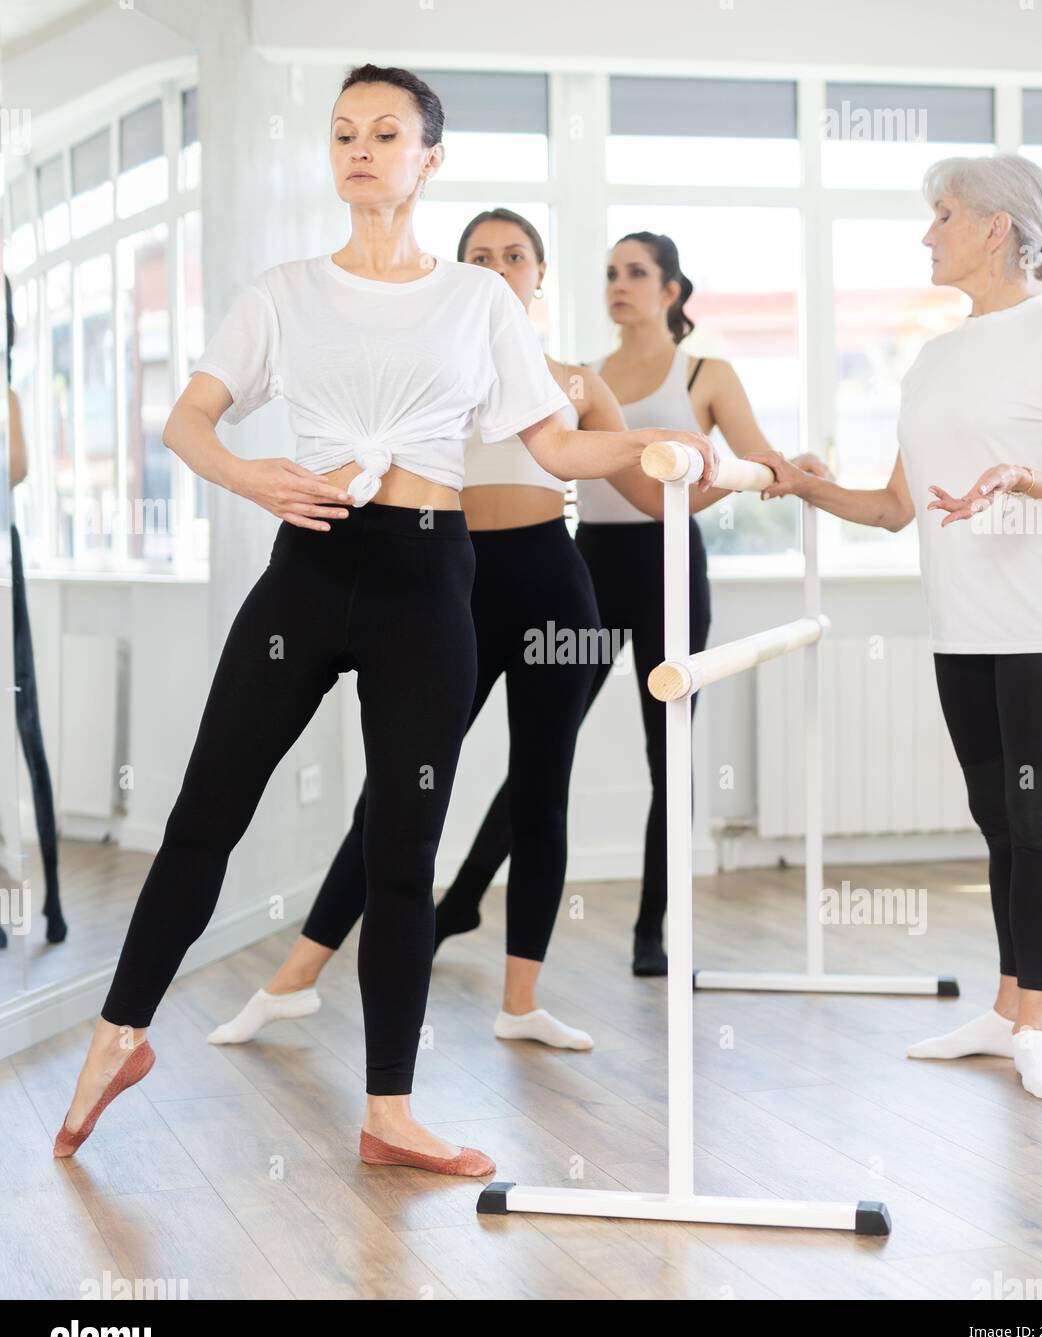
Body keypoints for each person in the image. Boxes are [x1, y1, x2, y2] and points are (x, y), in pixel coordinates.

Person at [52, 65, 717, 1176]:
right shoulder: (282, 290)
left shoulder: (477, 302)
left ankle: (390, 1111)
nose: (360, 149)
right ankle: (115, 1038)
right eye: (344, 132)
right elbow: (188, 419)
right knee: (204, 813)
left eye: (386, 133)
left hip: (426, 580)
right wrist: (252, 478)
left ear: (428, 161)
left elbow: (554, 447)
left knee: (404, 849)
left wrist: (670, 451)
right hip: (306, 573)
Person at [207, 208, 693, 1051]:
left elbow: (647, 494)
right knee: (395, 798)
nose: (499, 269)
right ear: (458, 272)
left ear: (540, 274)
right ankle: (295, 980)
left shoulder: (576, 381)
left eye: (515, 256)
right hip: (451, 584)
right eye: (480, 257)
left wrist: (738, 471)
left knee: (542, 794)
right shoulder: (432, 362)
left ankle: (521, 1002)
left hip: (556, 589)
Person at [754, 154, 1042, 1101]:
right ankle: (1004, 1011)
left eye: (943, 216)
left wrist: (1024, 476)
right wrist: (807, 486)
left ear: (997, 229)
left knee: (1037, 821)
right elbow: (890, 508)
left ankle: (1036, 1026)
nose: (928, 233)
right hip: (962, 624)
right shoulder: (935, 357)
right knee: (997, 820)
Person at [436, 231, 815, 976]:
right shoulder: (583, 376)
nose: (619, 284)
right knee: (545, 754)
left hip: (669, 568)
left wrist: (783, 468)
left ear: (671, 290)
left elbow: (746, 464)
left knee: (666, 750)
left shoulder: (707, 372)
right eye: (611, 272)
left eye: (636, 273)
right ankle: (463, 900)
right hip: (585, 566)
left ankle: (651, 927)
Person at [5, 273, 68, 948]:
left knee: (27, 725)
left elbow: (15, 469)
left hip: (4, 561)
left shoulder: (10, 395)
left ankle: (51, 898)